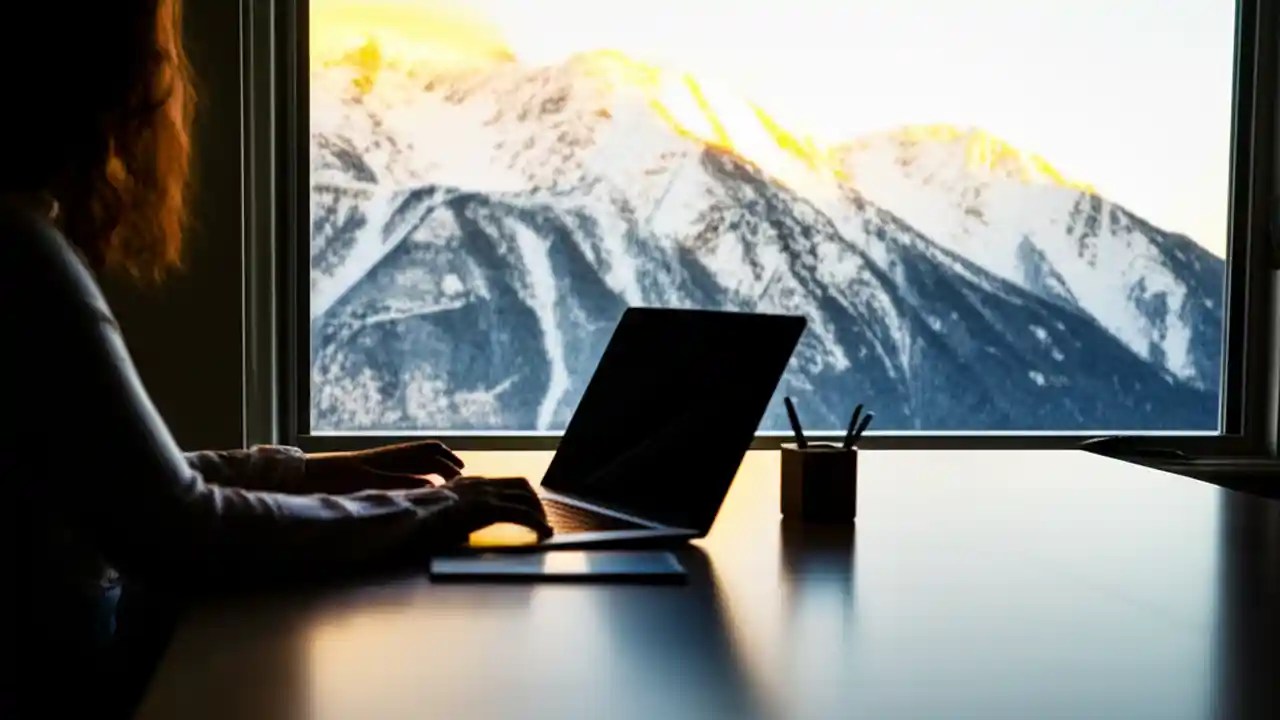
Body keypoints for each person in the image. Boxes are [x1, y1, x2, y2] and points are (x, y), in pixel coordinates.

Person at [0, 1, 552, 716]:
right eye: (155, 55)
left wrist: (323, 472)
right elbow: (180, 529)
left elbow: (123, 480)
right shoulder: (22, 259)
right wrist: (434, 511)